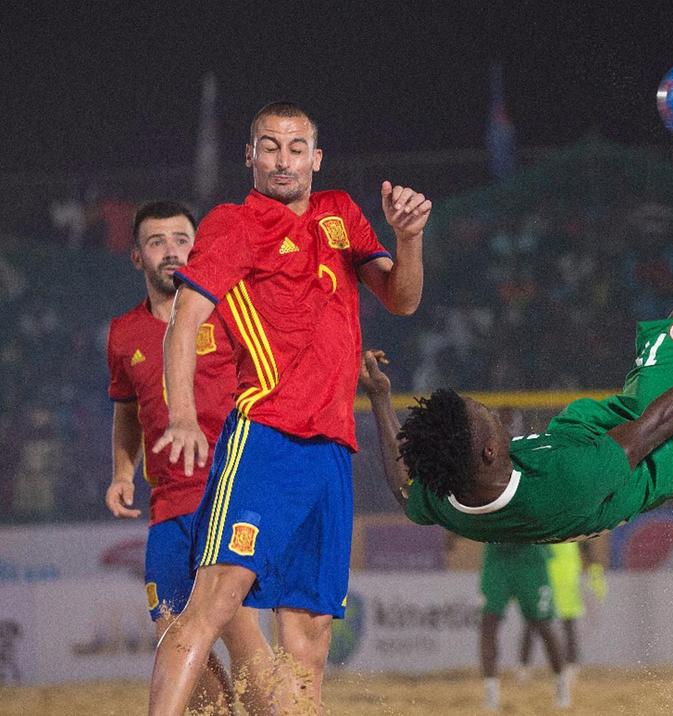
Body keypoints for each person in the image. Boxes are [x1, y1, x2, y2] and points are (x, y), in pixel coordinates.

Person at [358, 51, 673, 544]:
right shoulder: (563, 484)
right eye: (483, 414)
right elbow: (654, 426)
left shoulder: (447, 491)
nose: (488, 408)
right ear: (490, 450)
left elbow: (406, 491)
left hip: (599, 435)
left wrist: (381, 399)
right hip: (658, 451)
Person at [147, 103, 430, 714]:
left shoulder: (341, 214)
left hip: (332, 450)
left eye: (296, 147)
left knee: (309, 634)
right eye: (269, 147)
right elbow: (185, 318)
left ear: (315, 158)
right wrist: (183, 414)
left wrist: (409, 238)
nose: (283, 159)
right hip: (265, 440)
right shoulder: (233, 223)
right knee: (213, 603)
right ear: (250, 156)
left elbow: (402, 299)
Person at [105, 201, 271, 713]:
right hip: (168, 508)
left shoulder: (229, 312)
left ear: (197, 248)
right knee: (173, 637)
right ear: (137, 257)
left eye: (181, 239)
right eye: (157, 241)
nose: (171, 250)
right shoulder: (123, 333)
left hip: (227, 494)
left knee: (240, 637)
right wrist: (122, 471)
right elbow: (128, 412)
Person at [479, 543, 570, 710]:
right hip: (498, 554)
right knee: (488, 622)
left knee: (543, 624)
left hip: (531, 555)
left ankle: (562, 686)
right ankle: (491, 694)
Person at [518, 541, 606, 687]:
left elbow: (586, 546)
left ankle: (571, 668)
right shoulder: (545, 525)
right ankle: (523, 668)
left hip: (567, 579)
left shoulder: (573, 524)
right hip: (545, 576)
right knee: (533, 621)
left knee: (567, 625)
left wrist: (596, 575)